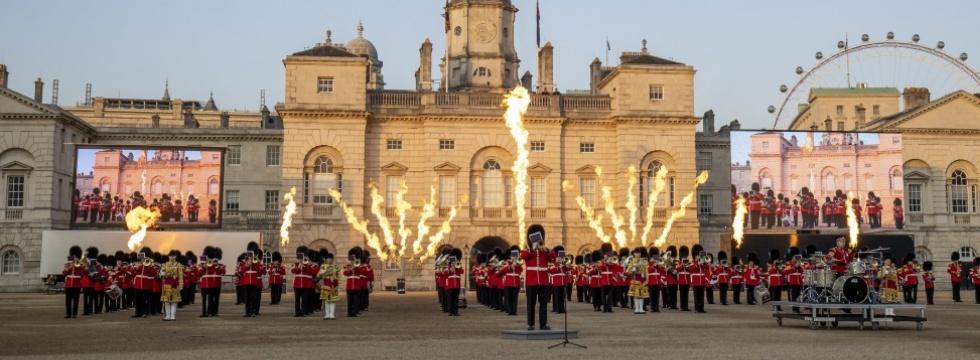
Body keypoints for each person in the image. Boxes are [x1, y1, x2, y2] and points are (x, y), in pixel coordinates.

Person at [238, 243, 265, 317]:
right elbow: (241, 270)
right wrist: (247, 265)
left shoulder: (256, 261)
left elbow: (258, 270)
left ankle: (253, 312)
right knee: (247, 298)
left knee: (253, 297)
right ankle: (247, 312)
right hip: (246, 281)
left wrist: (253, 262)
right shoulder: (244, 261)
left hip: (253, 281)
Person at [291, 246, 318, 316]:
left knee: (304, 299)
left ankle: (303, 312)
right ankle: (297, 312)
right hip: (297, 284)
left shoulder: (307, 264)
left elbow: (313, 272)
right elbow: (293, 271)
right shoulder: (295, 264)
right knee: (297, 300)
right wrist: (298, 266)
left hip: (306, 284)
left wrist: (306, 266)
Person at [199, 247, 225, 317]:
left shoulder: (219, 265)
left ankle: (212, 312)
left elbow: (222, 272)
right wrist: (203, 267)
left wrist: (217, 266)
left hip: (213, 284)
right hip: (204, 284)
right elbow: (199, 273)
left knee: (213, 299)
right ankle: (204, 312)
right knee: (204, 300)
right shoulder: (203, 265)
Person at [131, 248, 157, 318]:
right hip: (137, 284)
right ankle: (137, 312)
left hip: (146, 285)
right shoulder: (138, 264)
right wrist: (134, 268)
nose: (142, 259)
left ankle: (144, 312)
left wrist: (148, 266)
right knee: (137, 300)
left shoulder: (150, 264)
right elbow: (133, 274)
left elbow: (154, 273)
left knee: (144, 300)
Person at [160, 250, 184, 321]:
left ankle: (172, 316)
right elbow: (161, 274)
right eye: (170, 256)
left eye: (173, 256)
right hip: (167, 284)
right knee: (166, 301)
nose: (171, 257)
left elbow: (180, 275)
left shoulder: (178, 265)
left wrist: (181, 285)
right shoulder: (165, 264)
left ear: (175, 256)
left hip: (174, 284)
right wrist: (162, 274)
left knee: (174, 301)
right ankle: (167, 316)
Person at [499, 246, 523, 316]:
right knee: (508, 298)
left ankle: (514, 311)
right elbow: (502, 271)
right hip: (508, 283)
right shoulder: (507, 262)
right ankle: (509, 311)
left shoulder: (518, 263)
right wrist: (509, 266)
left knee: (515, 298)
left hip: (516, 283)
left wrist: (517, 265)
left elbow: (520, 271)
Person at [63, 246, 86, 318]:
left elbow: (82, 274)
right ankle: (68, 314)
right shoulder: (69, 263)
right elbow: (64, 273)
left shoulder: (81, 264)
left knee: (76, 300)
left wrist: (77, 266)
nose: (74, 257)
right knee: (68, 301)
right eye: (74, 256)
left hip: (76, 284)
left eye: (76, 256)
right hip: (69, 284)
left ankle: (74, 314)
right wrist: (69, 267)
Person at [441, 248, 465, 316]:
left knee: (456, 298)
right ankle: (450, 311)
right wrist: (450, 269)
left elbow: (462, 271)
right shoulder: (447, 264)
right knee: (450, 298)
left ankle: (456, 311)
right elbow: (444, 272)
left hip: (457, 283)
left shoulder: (458, 263)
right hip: (450, 283)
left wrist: (457, 267)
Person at [317, 251, 340, 319]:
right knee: (326, 301)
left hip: (333, 285)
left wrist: (334, 277)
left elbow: (338, 276)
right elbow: (320, 274)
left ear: (332, 259)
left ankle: (332, 314)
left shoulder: (335, 267)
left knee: (332, 300)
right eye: (328, 258)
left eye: (331, 259)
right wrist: (325, 272)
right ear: (326, 259)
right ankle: (327, 314)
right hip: (326, 285)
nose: (329, 260)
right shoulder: (323, 266)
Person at [343, 247, 366, 317]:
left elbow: (361, 272)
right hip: (349, 285)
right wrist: (350, 269)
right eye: (352, 257)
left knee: (356, 300)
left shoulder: (358, 264)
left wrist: (356, 267)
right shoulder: (348, 265)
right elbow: (345, 273)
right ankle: (349, 312)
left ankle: (355, 312)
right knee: (349, 300)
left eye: (354, 256)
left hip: (356, 285)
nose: (352, 258)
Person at [626, 247, 649, 314]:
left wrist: (647, 279)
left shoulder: (644, 261)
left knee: (641, 295)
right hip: (635, 278)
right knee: (636, 295)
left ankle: (641, 308)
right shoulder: (632, 261)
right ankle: (636, 308)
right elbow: (628, 271)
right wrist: (635, 267)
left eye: (638, 253)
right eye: (636, 253)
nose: (637, 254)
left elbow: (646, 271)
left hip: (642, 279)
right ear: (634, 254)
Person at [548, 246, 569, 314]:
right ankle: (556, 309)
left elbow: (567, 271)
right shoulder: (553, 264)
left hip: (562, 282)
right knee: (556, 297)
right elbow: (551, 270)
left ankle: (562, 309)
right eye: (558, 258)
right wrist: (558, 267)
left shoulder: (563, 264)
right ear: (556, 258)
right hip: (556, 282)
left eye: (560, 258)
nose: (559, 259)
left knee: (562, 296)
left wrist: (565, 266)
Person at [689, 248, 709, 313]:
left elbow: (707, 268)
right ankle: (697, 308)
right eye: (698, 256)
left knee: (701, 296)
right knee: (696, 296)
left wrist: (705, 263)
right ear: (695, 256)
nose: (699, 257)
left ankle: (701, 308)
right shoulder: (693, 263)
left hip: (702, 281)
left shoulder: (703, 263)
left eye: (699, 256)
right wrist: (698, 263)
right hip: (696, 282)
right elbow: (691, 269)